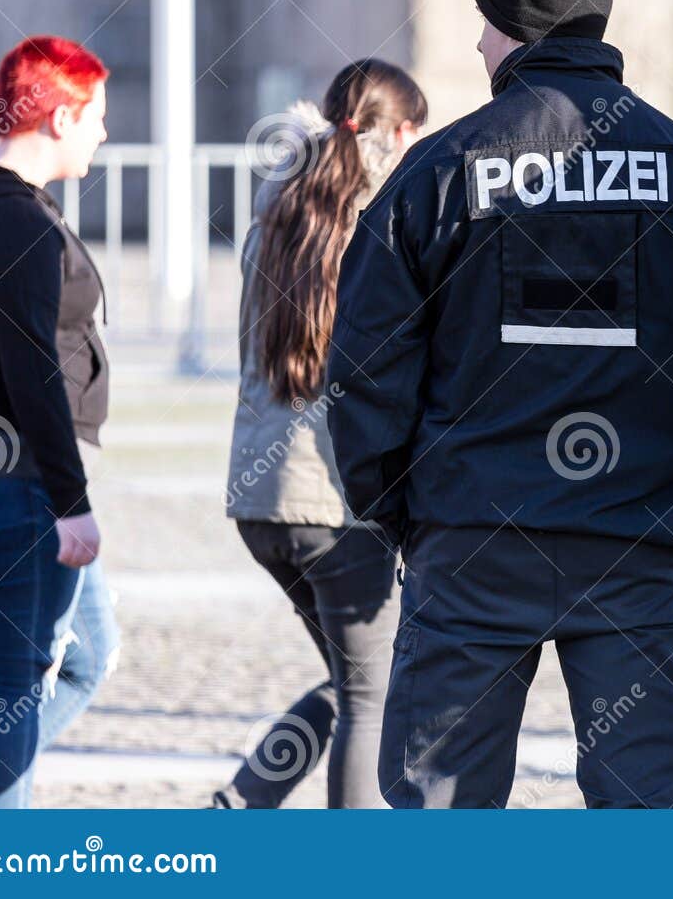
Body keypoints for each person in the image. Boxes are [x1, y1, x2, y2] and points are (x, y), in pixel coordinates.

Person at [328, 0, 673, 809]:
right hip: (643, 538)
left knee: (443, 818)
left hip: (470, 536)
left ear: (510, 32)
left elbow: (366, 366)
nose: (477, 46)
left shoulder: (437, 169)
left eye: (484, 27)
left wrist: (398, 508)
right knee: (645, 818)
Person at [212, 61, 426, 809]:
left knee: (351, 678)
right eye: (416, 137)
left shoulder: (280, 210)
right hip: (334, 504)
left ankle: (240, 805)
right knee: (375, 694)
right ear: (398, 134)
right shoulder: (381, 220)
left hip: (262, 499)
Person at [0, 35, 113, 807]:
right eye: (98, 116)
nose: (105, 132)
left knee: (83, 657)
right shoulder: (12, 220)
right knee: (15, 685)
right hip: (16, 477)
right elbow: (30, 366)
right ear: (62, 118)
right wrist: (71, 503)